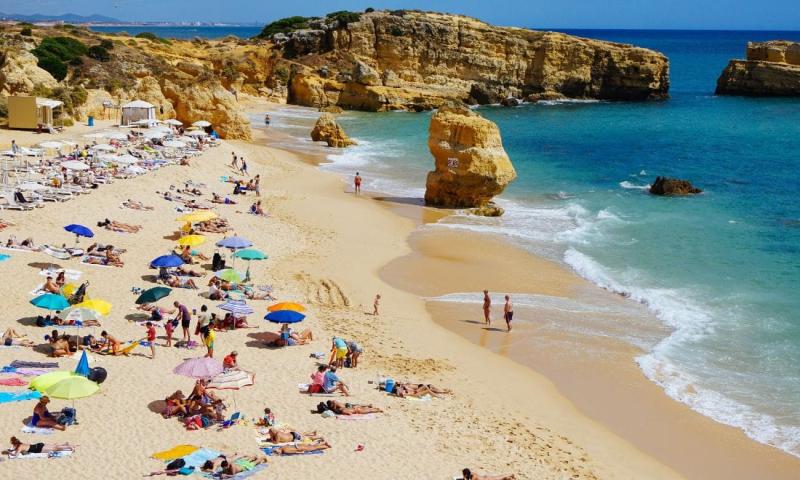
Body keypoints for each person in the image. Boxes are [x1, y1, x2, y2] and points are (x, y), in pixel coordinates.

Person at [8, 436, 74, 457]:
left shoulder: (19, 447)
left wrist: (10, 453)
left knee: (55, 448)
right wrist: (12, 450)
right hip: (39, 444)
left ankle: (68, 447)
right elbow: (15, 449)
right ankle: (65, 444)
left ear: (15, 444)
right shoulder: (21, 444)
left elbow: (16, 455)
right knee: (54, 445)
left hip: (39, 449)